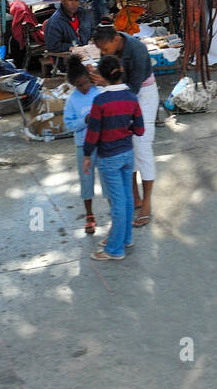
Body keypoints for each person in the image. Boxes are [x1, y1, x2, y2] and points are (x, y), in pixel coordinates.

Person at [90, 25, 157, 227]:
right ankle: (134, 196)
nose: (103, 54)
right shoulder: (111, 48)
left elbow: (133, 89)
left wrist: (104, 82)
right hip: (123, 94)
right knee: (128, 144)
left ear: (116, 40)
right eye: (100, 50)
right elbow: (109, 77)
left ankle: (147, 202)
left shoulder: (137, 49)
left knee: (142, 146)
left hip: (142, 94)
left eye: (105, 49)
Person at [82, 54, 144, 261]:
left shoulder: (100, 101)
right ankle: (126, 239)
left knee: (118, 204)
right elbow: (140, 129)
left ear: (103, 76)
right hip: (127, 153)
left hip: (108, 157)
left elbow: (93, 132)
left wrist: (87, 154)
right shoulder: (131, 97)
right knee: (126, 199)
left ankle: (115, 249)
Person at [62, 59, 103, 236]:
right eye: (79, 85)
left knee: (108, 178)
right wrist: (84, 120)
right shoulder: (72, 100)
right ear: (73, 85)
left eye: (85, 83)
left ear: (90, 78)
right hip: (83, 145)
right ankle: (89, 215)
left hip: (103, 143)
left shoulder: (99, 92)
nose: (84, 87)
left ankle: (114, 211)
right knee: (86, 180)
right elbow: (69, 124)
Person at [44, 0, 96, 68]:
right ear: (62, 0)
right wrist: (71, 48)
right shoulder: (55, 22)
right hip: (68, 61)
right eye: (70, 0)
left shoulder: (83, 12)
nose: (74, 4)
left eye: (76, 0)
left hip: (88, 55)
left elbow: (93, 29)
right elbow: (52, 46)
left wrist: (93, 39)